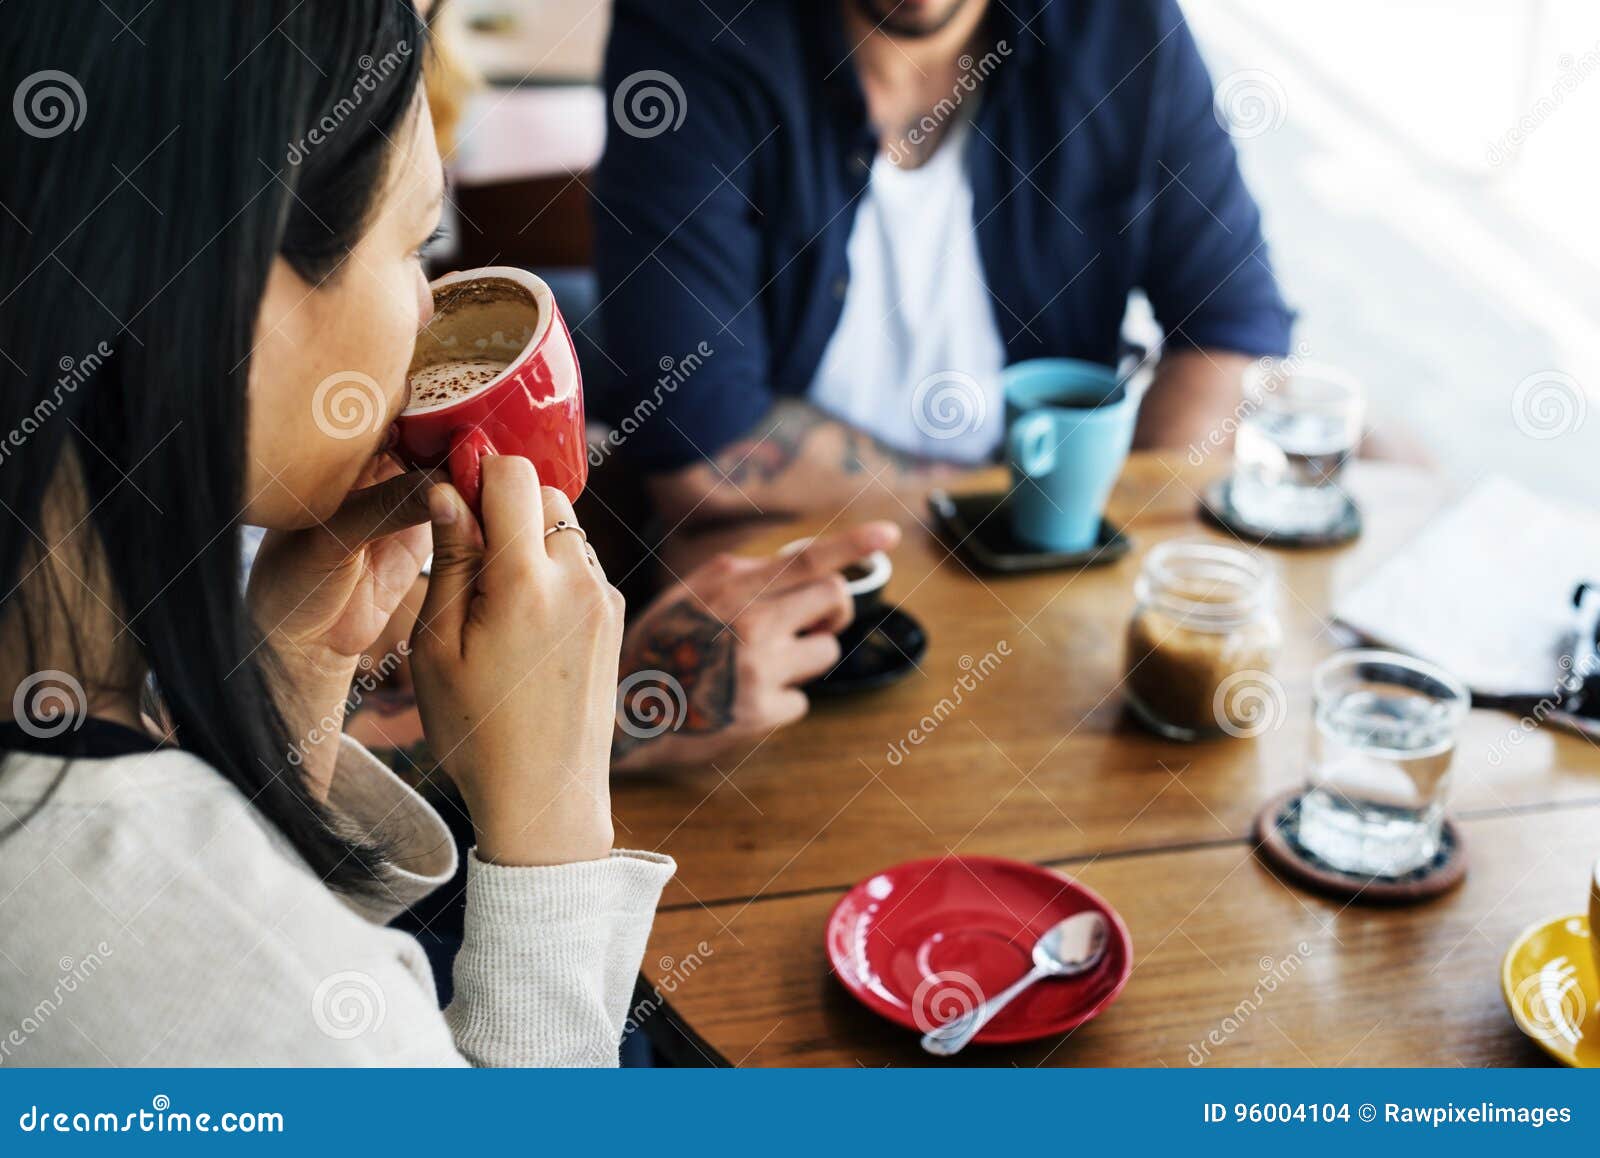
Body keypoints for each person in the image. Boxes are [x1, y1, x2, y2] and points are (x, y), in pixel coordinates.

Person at [0, 0, 670, 1066]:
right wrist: (550, 840)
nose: (426, 306)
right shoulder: (206, 969)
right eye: (415, 244)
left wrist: (287, 699)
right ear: (220, 293)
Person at [592, 0, 1296, 526]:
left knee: (1395, 451)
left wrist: (1121, 536)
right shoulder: (691, 27)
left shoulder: (1123, 25)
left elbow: (1229, 325)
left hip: (1039, 549)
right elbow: (700, 451)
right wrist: (1029, 515)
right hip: (796, 551)